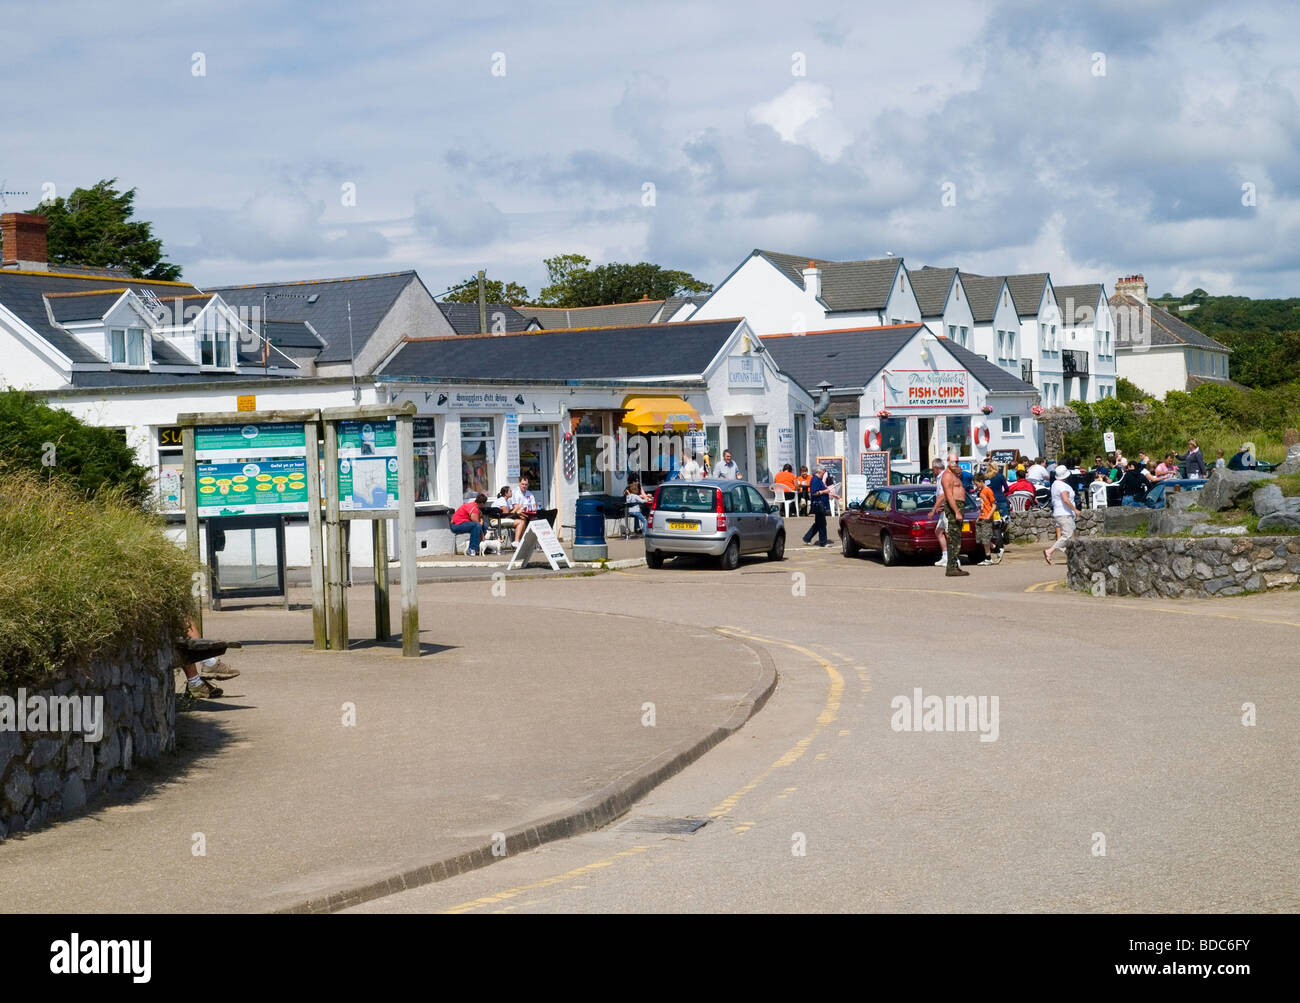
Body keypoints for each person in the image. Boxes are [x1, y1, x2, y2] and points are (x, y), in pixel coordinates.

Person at [938, 452, 968, 576]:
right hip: (954, 507)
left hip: (959, 506)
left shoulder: (955, 475)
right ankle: (951, 567)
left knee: (957, 538)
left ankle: (954, 565)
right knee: (954, 538)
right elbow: (948, 495)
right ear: (947, 462)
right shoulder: (947, 476)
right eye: (952, 462)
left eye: (957, 461)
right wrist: (956, 511)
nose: (955, 464)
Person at [1044, 465, 1079, 565]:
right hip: (1065, 513)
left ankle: (1072, 556)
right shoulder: (1062, 486)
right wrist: (1075, 510)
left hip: (1060, 513)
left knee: (1071, 537)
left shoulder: (1055, 484)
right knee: (1067, 536)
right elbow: (1065, 499)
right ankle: (1050, 551)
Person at [973, 472, 1000, 565]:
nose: (976, 486)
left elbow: (994, 505)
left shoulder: (988, 490)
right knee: (980, 538)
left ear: (981, 481)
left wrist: (989, 515)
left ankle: (988, 558)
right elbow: (982, 504)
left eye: (976, 484)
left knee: (985, 538)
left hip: (987, 517)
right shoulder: (981, 491)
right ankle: (996, 548)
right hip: (981, 516)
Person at [802, 465, 832, 547]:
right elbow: (814, 493)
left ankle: (807, 538)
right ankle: (823, 542)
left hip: (820, 503)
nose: (824, 472)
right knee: (822, 524)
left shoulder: (818, 479)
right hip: (818, 504)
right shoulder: (815, 480)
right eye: (823, 471)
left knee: (819, 523)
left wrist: (826, 492)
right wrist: (824, 491)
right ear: (819, 471)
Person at [512, 476, 540, 544]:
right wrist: (522, 508)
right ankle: (522, 541)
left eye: (526, 484)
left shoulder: (530, 494)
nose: (524, 486)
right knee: (523, 518)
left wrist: (533, 507)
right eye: (523, 484)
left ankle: (537, 542)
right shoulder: (515, 493)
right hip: (516, 514)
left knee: (538, 519)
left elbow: (534, 506)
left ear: (528, 485)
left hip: (528, 513)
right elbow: (515, 508)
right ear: (519, 484)